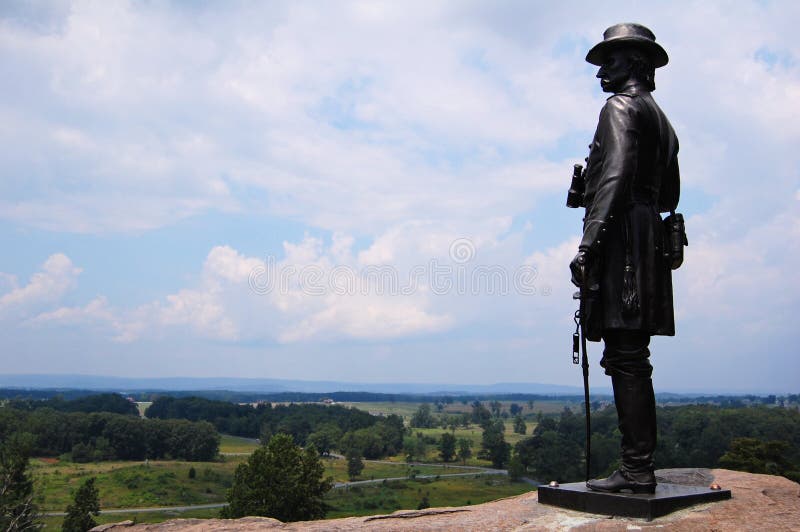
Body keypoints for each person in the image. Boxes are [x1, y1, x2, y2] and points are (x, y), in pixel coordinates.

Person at [569, 23, 680, 494]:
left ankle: (637, 470)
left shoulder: (618, 107)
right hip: (646, 234)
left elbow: (614, 175)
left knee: (625, 357)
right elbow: (670, 192)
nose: (600, 74)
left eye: (608, 62)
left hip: (623, 245)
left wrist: (589, 243)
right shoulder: (662, 120)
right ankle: (638, 465)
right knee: (634, 357)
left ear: (636, 63)